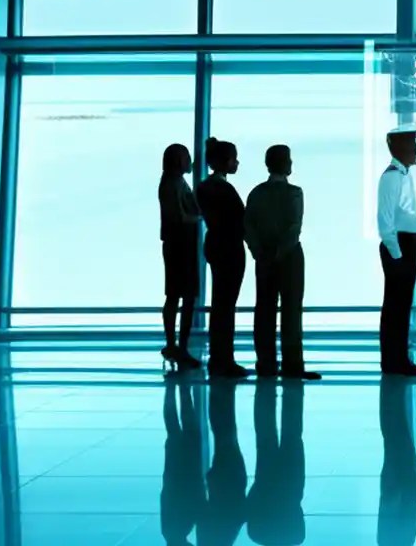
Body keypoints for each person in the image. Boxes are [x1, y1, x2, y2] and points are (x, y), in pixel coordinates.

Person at [244, 145, 320, 381]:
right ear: (285, 164)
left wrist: (259, 253)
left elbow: (248, 227)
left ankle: (265, 363)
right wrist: (278, 253)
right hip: (290, 258)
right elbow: (293, 229)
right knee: (291, 311)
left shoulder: (256, 193)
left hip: (263, 258)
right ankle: (292, 364)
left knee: (264, 310)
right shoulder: (295, 193)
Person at [197, 137, 250, 379]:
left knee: (220, 304)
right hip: (229, 248)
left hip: (215, 245)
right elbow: (242, 221)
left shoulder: (204, 187)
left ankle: (219, 357)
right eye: (234, 158)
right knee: (226, 306)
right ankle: (224, 359)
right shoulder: (224, 189)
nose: (237, 162)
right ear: (225, 161)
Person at [378, 124, 416, 377]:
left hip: (405, 243)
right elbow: (385, 222)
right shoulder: (392, 177)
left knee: (401, 305)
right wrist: (397, 255)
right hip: (399, 244)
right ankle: (393, 361)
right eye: (412, 144)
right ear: (399, 147)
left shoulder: (403, 174)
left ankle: (399, 359)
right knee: (396, 305)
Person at [246, 380, 307, 546]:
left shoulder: (296, 537)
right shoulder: (256, 533)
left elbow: (297, 511)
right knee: (267, 435)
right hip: (268, 481)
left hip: (290, 485)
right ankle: (267, 388)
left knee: (291, 433)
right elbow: (251, 503)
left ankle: (288, 387)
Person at [159, 143, 201, 370]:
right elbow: (180, 216)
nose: (189, 162)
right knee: (181, 295)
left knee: (177, 295)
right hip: (180, 245)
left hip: (179, 244)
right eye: (185, 158)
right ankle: (178, 345)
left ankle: (175, 344)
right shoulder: (172, 184)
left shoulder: (174, 182)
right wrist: (200, 217)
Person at [199, 379, 247, 546]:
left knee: (225, 435)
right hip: (221, 482)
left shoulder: (228, 530)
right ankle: (221, 392)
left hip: (230, 481)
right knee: (224, 435)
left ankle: (222, 391)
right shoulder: (214, 533)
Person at [160, 377, 204, 546]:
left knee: (185, 427)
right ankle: (173, 389)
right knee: (174, 427)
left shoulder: (179, 529)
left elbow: (194, 500)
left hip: (185, 474)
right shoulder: (171, 531)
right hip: (176, 475)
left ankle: (179, 389)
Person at [379, 378, 416, 546]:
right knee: (398, 443)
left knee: (397, 443)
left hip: (401, 494)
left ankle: (393, 395)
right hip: (401, 494)